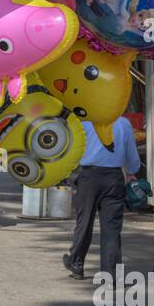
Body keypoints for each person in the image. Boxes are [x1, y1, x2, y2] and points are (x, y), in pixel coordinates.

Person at [63, 114, 140, 279]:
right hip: (114, 178)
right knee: (111, 229)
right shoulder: (123, 123)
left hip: (88, 177)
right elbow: (132, 156)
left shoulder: (84, 122)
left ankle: (76, 263)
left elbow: (72, 149)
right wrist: (132, 171)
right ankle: (111, 275)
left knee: (84, 222)